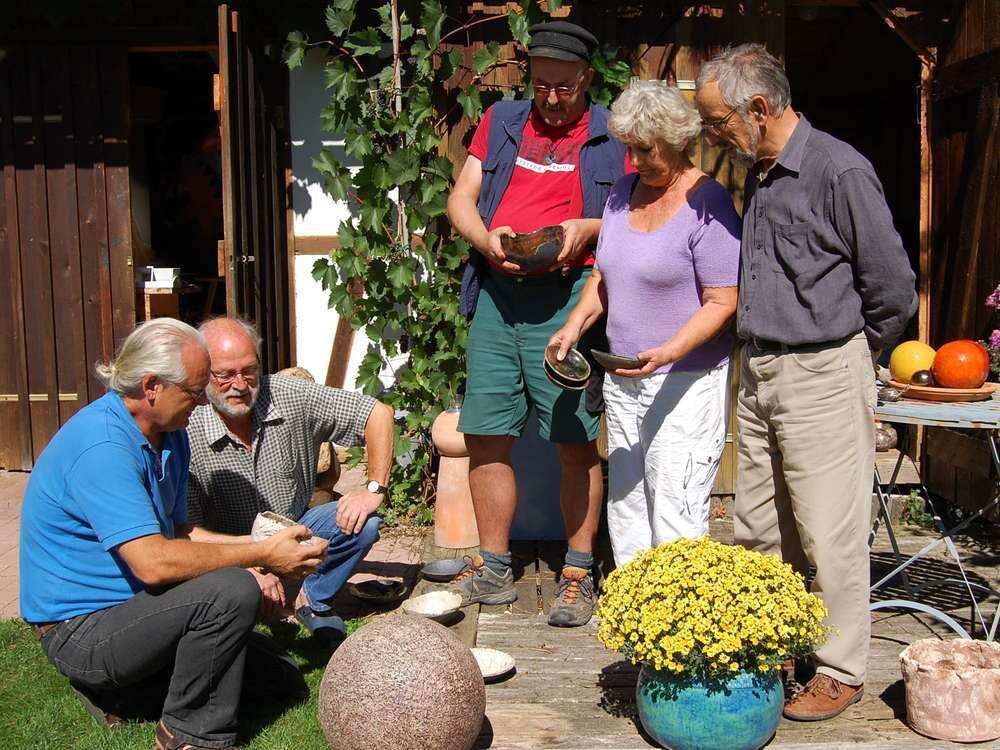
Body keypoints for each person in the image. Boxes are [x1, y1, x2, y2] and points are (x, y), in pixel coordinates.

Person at [694, 44, 918, 721]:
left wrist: (846, 356)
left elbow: (893, 289)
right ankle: (777, 647)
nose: (714, 136)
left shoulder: (838, 171)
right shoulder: (762, 172)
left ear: (758, 109)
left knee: (830, 530)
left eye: (718, 122)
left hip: (821, 368)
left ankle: (843, 666)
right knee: (761, 529)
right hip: (760, 373)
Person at [19, 318, 327, 750]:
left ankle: (125, 694)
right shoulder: (103, 448)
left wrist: (271, 548)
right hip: (81, 631)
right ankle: (189, 735)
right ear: (151, 387)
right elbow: (154, 562)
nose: (203, 403)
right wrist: (258, 559)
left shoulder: (168, 434)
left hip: (135, 611)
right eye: (194, 391)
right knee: (232, 591)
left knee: (282, 679)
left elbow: (179, 532)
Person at [446, 21, 629, 627]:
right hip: (499, 295)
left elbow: (643, 213)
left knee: (575, 439)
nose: (551, 99)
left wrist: (588, 228)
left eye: (565, 88)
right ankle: (494, 565)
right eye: (542, 86)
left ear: (588, 80)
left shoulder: (611, 135)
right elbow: (460, 198)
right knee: (487, 433)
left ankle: (578, 571)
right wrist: (485, 238)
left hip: (569, 296)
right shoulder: (501, 121)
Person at [549, 80, 740, 565]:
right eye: (629, 148)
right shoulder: (620, 194)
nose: (634, 160)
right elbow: (604, 277)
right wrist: (573, 327)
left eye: (645, 149)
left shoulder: (707, 202)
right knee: (628, 501)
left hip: (683, 379)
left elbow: (723, 300)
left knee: (676, 504)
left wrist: (669, 350)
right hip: (623, 376)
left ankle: (677, 626)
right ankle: (634, 614)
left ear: (678, 141)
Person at [185, 317, 395, 640]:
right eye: (225, 375)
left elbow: (376, 414)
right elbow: (189, 537)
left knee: (363, 522)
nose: (240, 385)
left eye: (249, 371)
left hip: (295, 530)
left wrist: (373, 488)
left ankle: (310, 597)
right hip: (228, 555)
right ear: (202, 372)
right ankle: (249, 608)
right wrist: (249, 567)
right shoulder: (186, 428)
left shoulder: (287, 394)